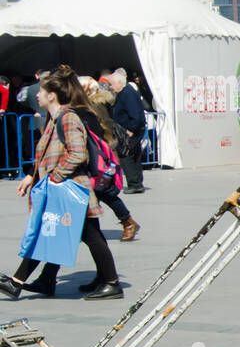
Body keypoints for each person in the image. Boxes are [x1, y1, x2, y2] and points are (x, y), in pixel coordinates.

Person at [0, 66, 122, 300]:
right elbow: (46, 154)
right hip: (64, 189)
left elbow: (77, 153)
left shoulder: (68, 118)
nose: (36, 95)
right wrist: (31, 176)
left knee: (87, 235)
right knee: (53, 231)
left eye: (41, 91)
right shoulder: (56, 117)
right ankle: (27, 281)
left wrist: (55, 177)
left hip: (71, 189)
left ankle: (111, 282)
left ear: (52, 95)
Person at [79, 77, 140, 242]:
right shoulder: (89, 106)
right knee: (97, 193)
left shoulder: (93, 107)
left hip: (99, 155)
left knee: (104, 192)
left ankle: (127, 221)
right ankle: (122, 223)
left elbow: (97, 132)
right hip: (97, 154)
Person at [108, 68, 145, 194]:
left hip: (130, 130)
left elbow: (135, 113)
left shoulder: (128, 93)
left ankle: (134, 184)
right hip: (131, 129)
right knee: (134, 155)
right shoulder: (126, 92)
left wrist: (131, 129)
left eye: (112, 84)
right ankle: (137, 182)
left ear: (119, 83)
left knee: (126, 156)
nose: (111, 87)